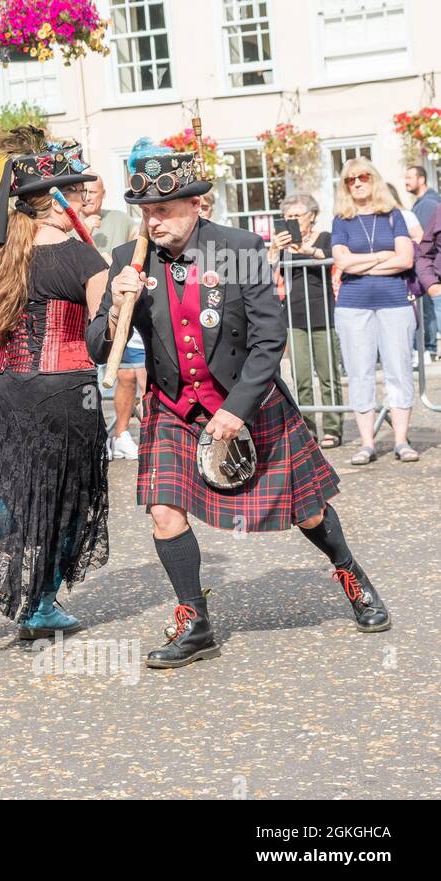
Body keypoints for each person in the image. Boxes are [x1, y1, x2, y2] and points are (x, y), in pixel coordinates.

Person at [85, 138, 391, 670]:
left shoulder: (240, 248)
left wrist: (237, 409)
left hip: (244, 399)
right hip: (174, 407)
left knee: (309, 509)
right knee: (162, 511)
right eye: (145, 212)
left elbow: (270, 338)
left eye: (162, 210)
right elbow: (97, 346)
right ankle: (194, 620)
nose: (152, 222)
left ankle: (350, 574)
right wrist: (116, 306)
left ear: (196, 205)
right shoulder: (126, 261)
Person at [0, 128, 109, 637]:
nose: (81, 200)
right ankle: (39, 603)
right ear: (54, 203)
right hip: (67, 385)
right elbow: (100, 339)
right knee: (66, 493)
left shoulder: (4, 256)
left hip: (9, 386)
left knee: (11, 482)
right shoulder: (84, 258)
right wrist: (123, 299)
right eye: (73, 193)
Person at [331, 159, 418, 464]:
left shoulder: (394, 216)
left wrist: (362, 263)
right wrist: (384, 256)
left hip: (394, 302)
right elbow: (342, 262)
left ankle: (401, 440)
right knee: (360, 373)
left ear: (374, 179)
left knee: (399, 370)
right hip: (353, 306)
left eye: (362, 176)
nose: (356, 182)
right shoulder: (341, 220)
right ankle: (367, 443)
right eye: (349, 180)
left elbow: (406, 259)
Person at [268, 193, 343, 447]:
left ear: (311, 216)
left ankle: (333, 426)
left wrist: (306, 249)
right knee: (301, 376)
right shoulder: (284, 247)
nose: (290, 221)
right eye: (286, 217)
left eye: (295, 216)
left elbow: (332, 255)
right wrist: (275, 248)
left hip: (323, 312)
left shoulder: (324, 238)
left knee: (327, 373)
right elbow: (267, 269)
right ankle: (307, 428)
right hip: (294, 313)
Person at [81, 174, 143, 460]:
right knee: (86, 383)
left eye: (93, 191)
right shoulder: (68, 223)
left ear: (104, 193)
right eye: (82, 191)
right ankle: (92, 438)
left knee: (128, 374)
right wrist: (84, 233)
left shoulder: (119, 219)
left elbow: (137, 245)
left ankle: (119, 434)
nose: (87, 197)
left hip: (115, 310)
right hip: (79, 314)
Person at [405, 164, 440, 357]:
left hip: (433, 272)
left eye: (409, 177)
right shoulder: (425, 204)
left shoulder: (428, 204)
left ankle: (430, 348)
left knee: (428, 309)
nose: (406, 181)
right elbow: (425, 245)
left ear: (422, 179)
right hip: (433, 273)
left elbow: (423, 241)